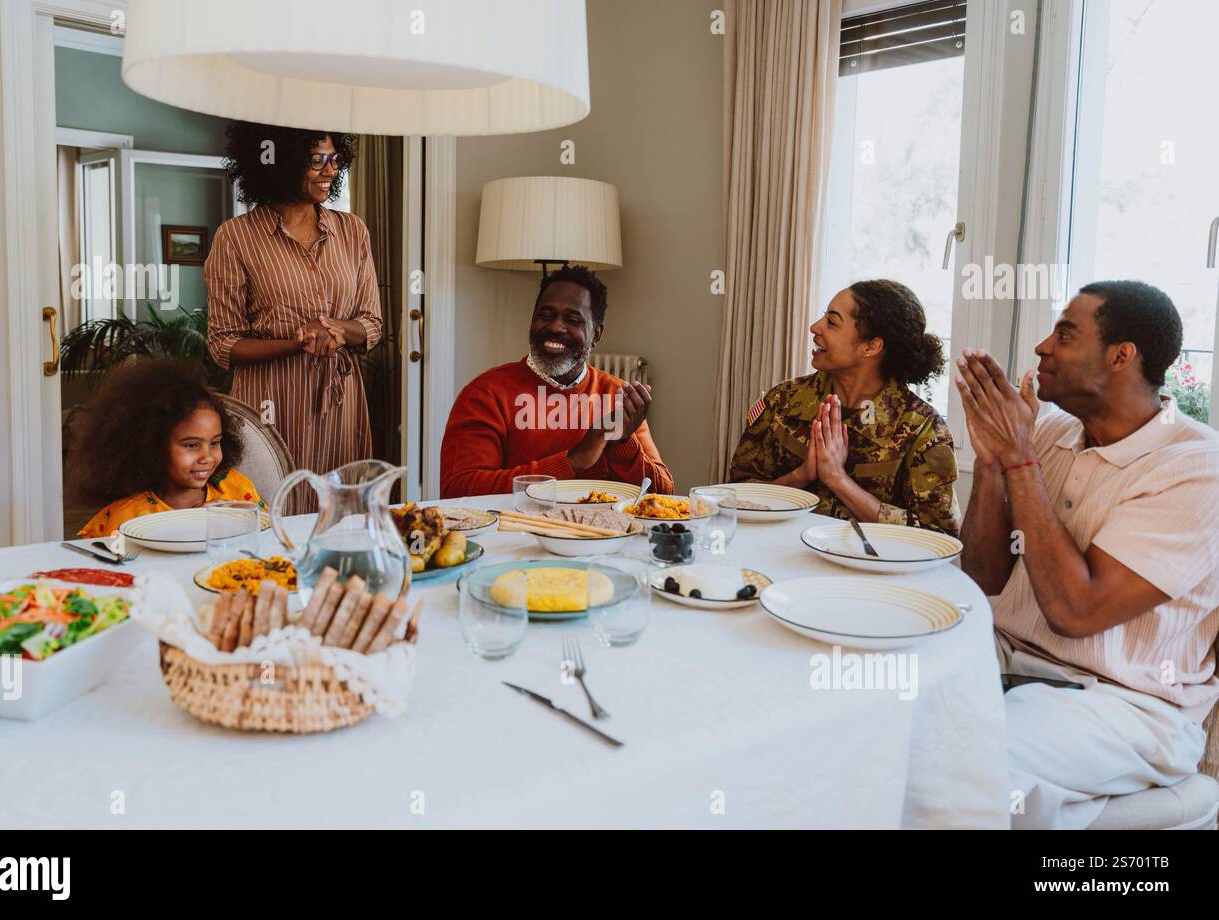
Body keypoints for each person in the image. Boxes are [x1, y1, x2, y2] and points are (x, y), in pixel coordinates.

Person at [956, 280, 1219, 829]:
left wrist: (1018, 459)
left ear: (1122, 356)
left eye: (1065, 334)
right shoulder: (1051, 433)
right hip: (1004, 656)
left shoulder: (1197, 466)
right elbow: (983, 576)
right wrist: (990, 463)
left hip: (1125, 703)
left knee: (954, 763)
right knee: (876, 716)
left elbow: (1077, 611)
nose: (1041, 348)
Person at [206, 121, 381, 512]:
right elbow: (223, 345)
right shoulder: (235, 238)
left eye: (335, 159)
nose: (330, 170)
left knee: (338, 513)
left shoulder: (353, 231)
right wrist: (298, 342)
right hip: (271, 401)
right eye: (316, 160)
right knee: (272, 511)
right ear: (279, 162)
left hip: (340, 405)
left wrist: (337, 331)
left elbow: (371, 324)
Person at [728, 280, 959, 535]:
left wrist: (837, 479)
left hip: (869, 561)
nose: (814, 327)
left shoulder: (923, 428)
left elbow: (937, 536)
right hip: (777, 551)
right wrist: (801, 475)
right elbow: (736, 493)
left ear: (871, 346)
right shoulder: (783, 401)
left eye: (831, 322)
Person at [440, 265, 674, 498]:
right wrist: (572, 461)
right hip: (517, 523)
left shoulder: (616, 396)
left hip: (605, 523)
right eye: (545, 315)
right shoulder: (485, 394)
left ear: (596, 334)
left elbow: (663, 494)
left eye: (573, 319)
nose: (555, 327)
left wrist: (622, 443)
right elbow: (458, 490)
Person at [69, 359, 265, 538]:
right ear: (152, 447)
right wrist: (192, 523)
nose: (207, 457)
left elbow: (268, 533)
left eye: (214, 443)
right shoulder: (128, 516)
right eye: (192, 445)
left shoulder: (235, 488)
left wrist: (239, 519)